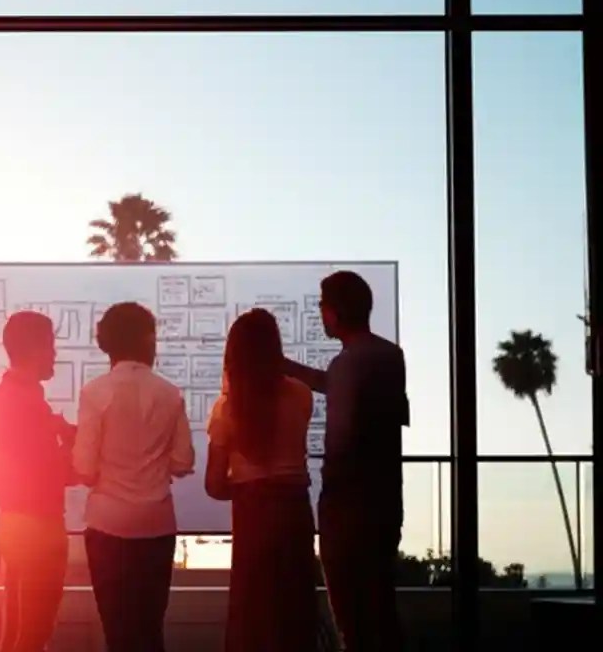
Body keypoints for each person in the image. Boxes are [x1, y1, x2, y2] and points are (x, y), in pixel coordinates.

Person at [283, 270, 409, 652]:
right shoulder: (390, 356)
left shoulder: (347, 365)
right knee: (381, 612)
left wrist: (327, 498)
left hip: (347, 511)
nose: (321, 313)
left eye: (323, 305)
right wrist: (290, 368)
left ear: (335, 311)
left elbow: (344, 435)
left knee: (352, 624)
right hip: (386, 505)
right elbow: (334, 385)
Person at [73, 302, 195, 652]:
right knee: (150, 629)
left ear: (106, 343)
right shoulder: (170, 393)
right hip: (157, 525)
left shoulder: (94, 393)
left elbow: (84, 468)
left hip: (107, 526)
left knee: (118, 631)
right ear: (148, 341)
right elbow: (183, 461)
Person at [205, 308, 318, 652]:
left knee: (253, 616)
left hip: (252, 514)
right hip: (295, 512)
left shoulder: (227, 409)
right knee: (294, 613)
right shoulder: (301, 395)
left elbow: (213, 484)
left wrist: (246, 486)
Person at [0, 311, 78, 652]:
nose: (54, 354)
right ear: (35, 349)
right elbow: (53, 473)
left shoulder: (9, 397)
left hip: (16, 522)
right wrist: (74, 443)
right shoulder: (25, 403)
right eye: (50, 346)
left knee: (17, 633)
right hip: (38, 526)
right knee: (34, 634)